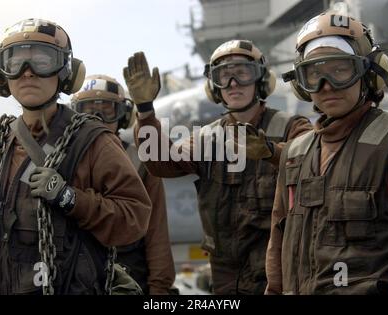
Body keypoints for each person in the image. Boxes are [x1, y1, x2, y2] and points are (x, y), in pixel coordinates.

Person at [0, 18, 151, 295]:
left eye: (42, 61)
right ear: (1, 74)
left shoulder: (94, 142)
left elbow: (134, 219)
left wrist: (70, 198)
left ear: (67, 71)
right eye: (15, 62)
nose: (27, 73)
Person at [123, 40, 312, 294]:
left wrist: (271, 152)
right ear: (214, 87)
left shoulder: (291, 127)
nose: (233, 84)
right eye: (224, 76)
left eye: (242, 73)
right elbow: (160, 161)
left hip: (278, 271)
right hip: (226, 276)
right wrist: (145, 112)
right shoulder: (206, 138)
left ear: (261, 80)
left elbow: (314, 163)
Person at [266, 12, 388, 295]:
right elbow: (279, 242)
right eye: (314, 74)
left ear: (368, 73)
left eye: (340, 70)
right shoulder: (295, 153)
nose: (326, 86)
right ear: (301, 85)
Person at [71, 74, 175, 294]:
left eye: (107, 109)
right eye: (87, 110)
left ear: (124, 115)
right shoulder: (61, 160)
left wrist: (159, 292)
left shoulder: (141, 161)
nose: (97, 118)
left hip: (130, 278)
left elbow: (157, 235)